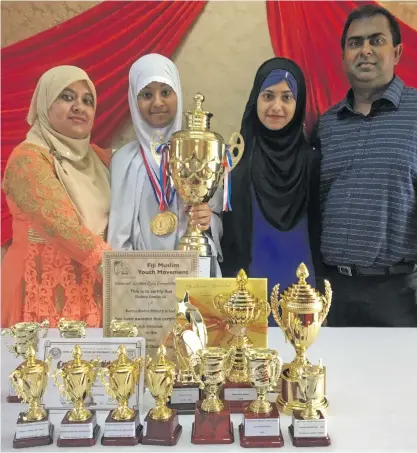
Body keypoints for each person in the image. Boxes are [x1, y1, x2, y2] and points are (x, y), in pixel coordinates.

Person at [310, 5, 417, 327]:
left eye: (376, 40)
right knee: (337, 377)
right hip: (334, 292)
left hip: (405, 294)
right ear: (343, 55)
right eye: (355, 43)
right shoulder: (327, 124)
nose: (365, 50)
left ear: (396, 52)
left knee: (402, 378)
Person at [1, 66, 111, 328]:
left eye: (87, 100)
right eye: (66, 96)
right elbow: (62, 226)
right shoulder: (27, 159)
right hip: (39, 286)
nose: (79, 107)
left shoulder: (98, 159)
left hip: (93, 289)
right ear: (44, 102)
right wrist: (128, 271)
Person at [107, 54, 223, 274]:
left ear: (177, 94)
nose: (157, 102)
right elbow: (117, 238)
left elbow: (217, 220)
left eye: (166, 92)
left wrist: (209, 221)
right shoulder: (124, 161)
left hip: (194, 273)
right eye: (147, 94)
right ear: (133, 99)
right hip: (142, 284)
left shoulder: (202, 153)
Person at [221, 57, 317, 305]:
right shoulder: (237, 160)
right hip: (248, 294)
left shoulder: (312, 161)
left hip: (304, 293)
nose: (277, 106)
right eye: (268, 96)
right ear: (255, 100)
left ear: (299, 103)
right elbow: (227, 237)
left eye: (287, 97)